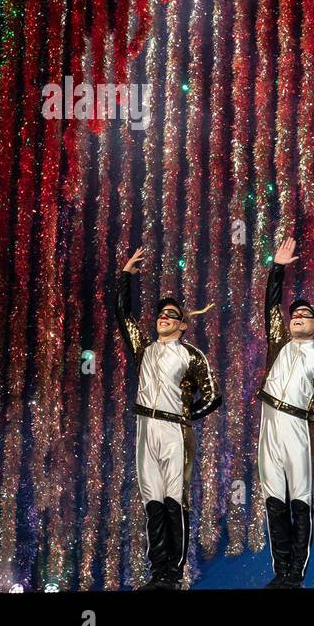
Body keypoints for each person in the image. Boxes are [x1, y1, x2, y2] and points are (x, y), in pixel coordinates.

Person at [113, 247, 222, 590]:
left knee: (175, 499)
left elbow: (213, 396)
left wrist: (186, 417)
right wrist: (125, 276)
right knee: (152, 501)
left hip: (175, 430)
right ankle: (158, 573)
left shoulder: (191, 355)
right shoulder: (144, 349)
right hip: (145, 427)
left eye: (172, 314)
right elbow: (123, 314)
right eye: (161, 313)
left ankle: (173, 574)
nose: (164, 317)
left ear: (182, 325)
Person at [255, 237, 314, 589]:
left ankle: (295, 574)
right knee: (273, 499)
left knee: (299, 499)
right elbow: (271, 306)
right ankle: (280, 571)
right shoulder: (279, 343)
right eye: (294, 314)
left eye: (305, 315)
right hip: (269, 423)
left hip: (298, 425)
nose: (297, 318)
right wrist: (277, 269)